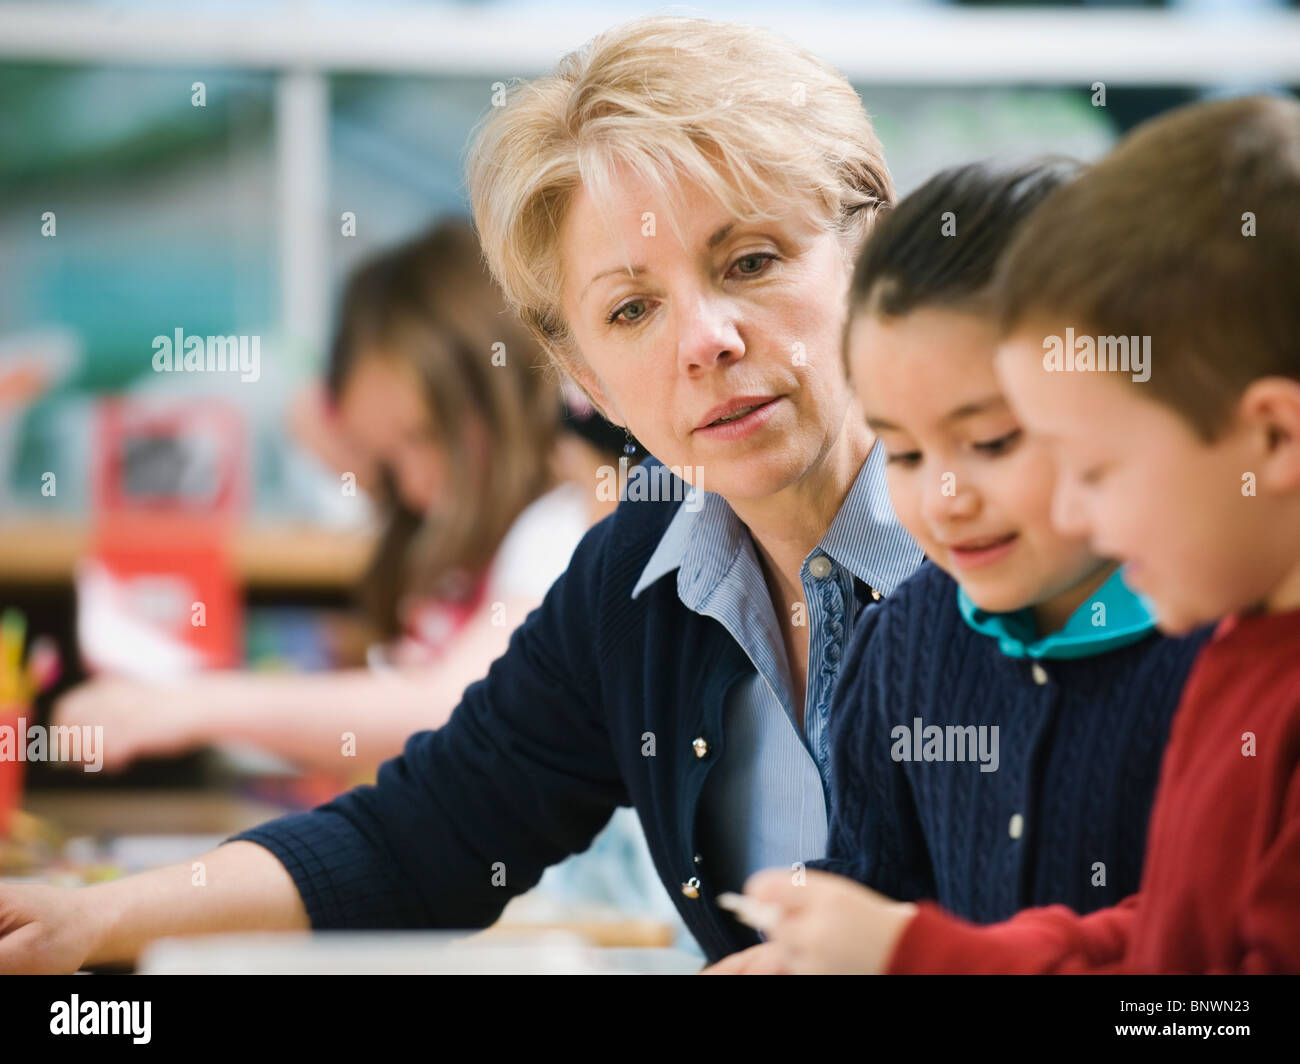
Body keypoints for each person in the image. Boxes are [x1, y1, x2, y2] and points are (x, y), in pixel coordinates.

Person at [0, 15, 924, 973]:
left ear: (878, 261)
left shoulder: (998, 551)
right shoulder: (639, 572)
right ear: (589, 382)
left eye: (751, 261)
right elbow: (418, 838)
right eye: (630, 309)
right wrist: (85, 922)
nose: (704, 340)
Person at [745, 94, 1300, 974]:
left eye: (1003, 441)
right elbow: (1167, 934)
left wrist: (937, 959)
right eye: (902, 452)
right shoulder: (1237, 646)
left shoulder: (1216, 640)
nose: (1079, 511)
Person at [53, 219, 611, 776]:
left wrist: (191, 703)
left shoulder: (558, 529)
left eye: (421, 436)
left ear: (499, 392)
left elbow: (447, 707)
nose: (412, 487)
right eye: (387, 460)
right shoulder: (470, 557)